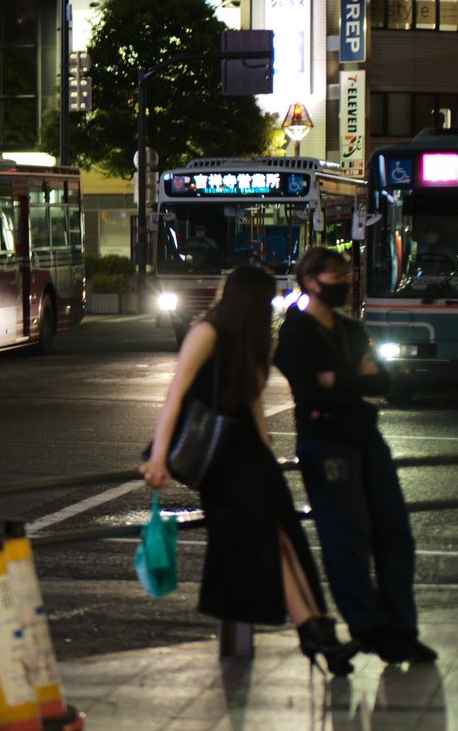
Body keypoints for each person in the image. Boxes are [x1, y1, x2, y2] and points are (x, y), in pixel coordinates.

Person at [141, 264, 354, 675]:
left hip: (247, 455)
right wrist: (159, 456)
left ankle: (317, 631)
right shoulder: (209, 332)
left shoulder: (246, 336)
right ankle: (316, 633)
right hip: (224, 458)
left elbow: (253, 401)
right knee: (273, 541)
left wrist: (267, 450)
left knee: (286, 538)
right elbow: (176, 395)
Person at [275, 246, 435, 665]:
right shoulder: (296, 332)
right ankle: (368, 626)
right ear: (310, 280)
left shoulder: (348, 328)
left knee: (394, 531)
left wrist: (336, 380)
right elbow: (310, 390)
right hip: (325, 442)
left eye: (347, 274)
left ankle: (402, 627)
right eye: (336, 275)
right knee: (346, 536)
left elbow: (382, 379)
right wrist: (349, 379)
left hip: (365, 436)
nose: (344, 283)